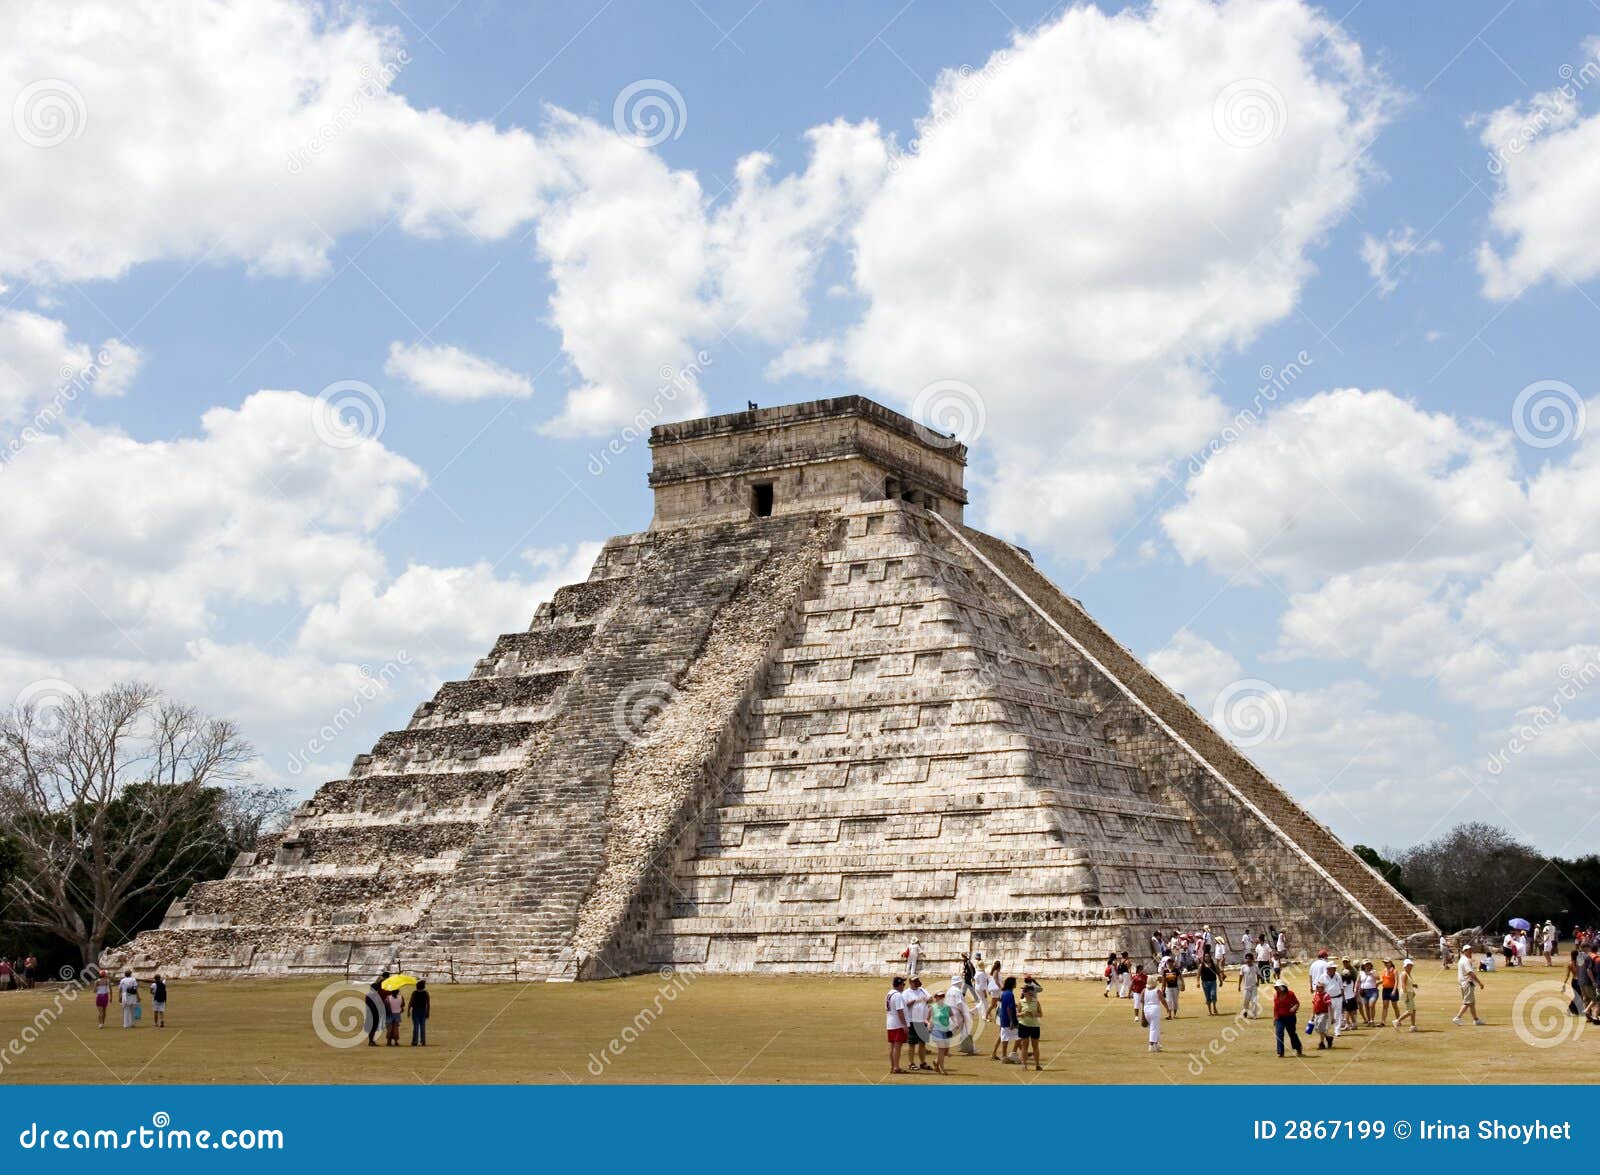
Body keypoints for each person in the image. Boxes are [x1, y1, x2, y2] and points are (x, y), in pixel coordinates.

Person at [1453, 943, 1485, 1026]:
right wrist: (1479, 982)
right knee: (1467, 1002)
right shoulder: (1465, 961)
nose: (1471, 951)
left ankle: (1476, 1019)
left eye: (1471, 950)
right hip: (1467, 983)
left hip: (1464, 983)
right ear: (1465, 951)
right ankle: (1457, 1017)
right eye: (1469, 950)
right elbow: (1470, 972)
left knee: (1471, 1003)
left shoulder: (1462, 960)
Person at [1015, 980, 1043, 1071]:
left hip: (1034, 1026)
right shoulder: (1021, 1002)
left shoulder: (1036, 1002)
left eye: (1026, 991)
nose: (1025, 993)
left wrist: (1035, 1014)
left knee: (1035, 1046)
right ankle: (1024, 1065)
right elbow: (1017, 1014)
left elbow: (1040, 1014)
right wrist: (1023, 1013)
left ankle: (1037, 1065)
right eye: (1025, 991)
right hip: (1024, 1025)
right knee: (1024, 1046)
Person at [904, 976, 930, 1070]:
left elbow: (930, 999)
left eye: (917, 980)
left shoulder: (922, 990)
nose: (917, 982)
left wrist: (927, 1000)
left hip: (922, 1020)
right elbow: (904, 1005)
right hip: (912, 1021)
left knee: (923, 1043)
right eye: (915, 981)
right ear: (910, 982)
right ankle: (911, 1063)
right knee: (912, 1044)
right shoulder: (906, 993)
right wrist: (915, 1001)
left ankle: (923, 1062)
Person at [946, 973, 977, 1056]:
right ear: (959, 982)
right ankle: (969, 1048)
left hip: (950, 1012)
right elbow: (959, 1003)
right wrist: (964, 1012)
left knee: (952, 1030)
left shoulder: (949, 990)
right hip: (957, 1013)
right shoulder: (957, 991)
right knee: (961, 1030)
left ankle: (969, 1048)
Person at [1272, 980, 1303, 1057]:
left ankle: (1298, 1047)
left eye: (1278, 987)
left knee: (1292, 1033)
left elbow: (1297, 1003)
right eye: (1276, 987)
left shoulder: (1290, 994)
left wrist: (1294, 1008)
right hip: (1279, 1018)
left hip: (1290, 1017)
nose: (1277, 989)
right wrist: (1275, 1018)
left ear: (1283, 987)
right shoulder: (1276, 995)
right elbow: (1275, 1007)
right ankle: (1280, 1052)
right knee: (1279, 1033)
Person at [885, 976, 910, 1075]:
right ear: (900, 985)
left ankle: (893, 1066)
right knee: (897, 1045)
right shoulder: (898, 995)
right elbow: (900, 1011)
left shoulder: (889, 993)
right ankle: (896, 1067)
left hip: (890, 1022)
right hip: (897, 1023)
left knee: (893, 1046)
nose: (904, 986)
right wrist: (904, 1025)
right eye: (903, 984)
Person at [994, 976, 1019, 1063]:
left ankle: (1005, 1055)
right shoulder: (1009, 994)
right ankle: (1012, 1053)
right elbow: (1009, 1008)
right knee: (1019, 1036)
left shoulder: (1004, 993)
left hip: (1003, 1017)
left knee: (1004, 1037)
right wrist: (1012, 1020)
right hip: (1008, 1018)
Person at [927, 990, 953, 1074]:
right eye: (939, 996)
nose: (941, 998)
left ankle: (936, 1061)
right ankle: (942, 1069)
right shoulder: (932, 1007)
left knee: (945, 1050)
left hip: (946, 1030)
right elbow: (926, 1019)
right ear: (936, 998)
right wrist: (928, 1024)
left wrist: (955, 1024)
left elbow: (952, 1017)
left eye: (942, 996)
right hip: (936, 1030)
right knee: (941, 1049)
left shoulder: (947, 1007)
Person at [1143, 974, 1164, 1052]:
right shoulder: (1157, 990)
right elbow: (1162, 1000)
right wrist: (1168, 1008)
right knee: (1154, 1028)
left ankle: (1156, 1044)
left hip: (1146, 1009)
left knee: (1154, 1027)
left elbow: (1142, 1000)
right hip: (1154, 1009)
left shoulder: (1144, 990)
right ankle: (1151, 1045)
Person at [1238, 952, 1260, 1019]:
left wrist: (1258, 982)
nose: (1248, 960)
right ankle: (1245, 1010)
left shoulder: (1255, 967)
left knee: (1254, 1001)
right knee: (1245, 1000)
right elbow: (1241, 976)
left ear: (1252, 959)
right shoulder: (1243, 967)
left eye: (1249, 959)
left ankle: (1254, 1015)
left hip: (1254, 987)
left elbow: (1258, 974)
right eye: (1247, 959)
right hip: (1246, 987)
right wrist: (1239, 985)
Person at [1198, 951, 1220, 1015]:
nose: (1206, 958)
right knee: (1207, 997)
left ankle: (1214, 1006)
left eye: (1208, 956)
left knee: (1213, 994)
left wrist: (1220, 980)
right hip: (1205, 983)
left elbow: (1218, 972)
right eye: (1205, 957)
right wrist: (1198, 982)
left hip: (1213, 982)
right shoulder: (1201, 965)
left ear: (1210, 957)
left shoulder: (1214, 965)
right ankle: (1210, 1010)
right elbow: (1198, 974)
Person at [1377, 959, 1398, 1026]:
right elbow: (1383, 980)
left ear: (1390, 963)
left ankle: (1398, 1020)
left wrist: (1394, 990)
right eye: (1384, 963)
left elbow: (1396, 981)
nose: (1385, 964)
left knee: (1395, 1006)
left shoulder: (1395, 970)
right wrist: (1378, 983)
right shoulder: (1384, 970)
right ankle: (1382, 1021)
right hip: (1385, 990)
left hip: (1392, 989)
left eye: (1387, 962)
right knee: (1385, 1006)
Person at [409, 979, 430, 1045]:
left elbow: (411, 1002)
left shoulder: (414, 993)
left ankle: (415, 1041)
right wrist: (428, 1012)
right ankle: (423, 1041)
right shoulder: (426, 993)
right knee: (422, 1026)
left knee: (416, 1026)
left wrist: (408, 1010)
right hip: (423, 1010)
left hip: (415, 1010)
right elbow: (428, 1003)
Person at [1358, 960, 1378, 1025]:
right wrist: (1356, 988)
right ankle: (1369, 1020)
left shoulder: (1373, 971)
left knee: (1371, 1005)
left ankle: (1372, 1020)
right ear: (1363, 966)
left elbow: (1378, 978)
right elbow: (1358, 981)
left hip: (1372, 991)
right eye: (1366, 964)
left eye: (1368, 964)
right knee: (1366, 1006)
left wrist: (1371, 974)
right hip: (1363, 991)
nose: (1367, 966)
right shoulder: (1361, 972)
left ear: (1370, 965)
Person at [365, 981, 384, 1047]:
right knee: (373, 1028)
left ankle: (371, 1041)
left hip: (371, 1013)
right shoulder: (375, 995)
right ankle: (371, 1041)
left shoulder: (369, 995)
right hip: (374, 1013)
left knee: (372, 1028)